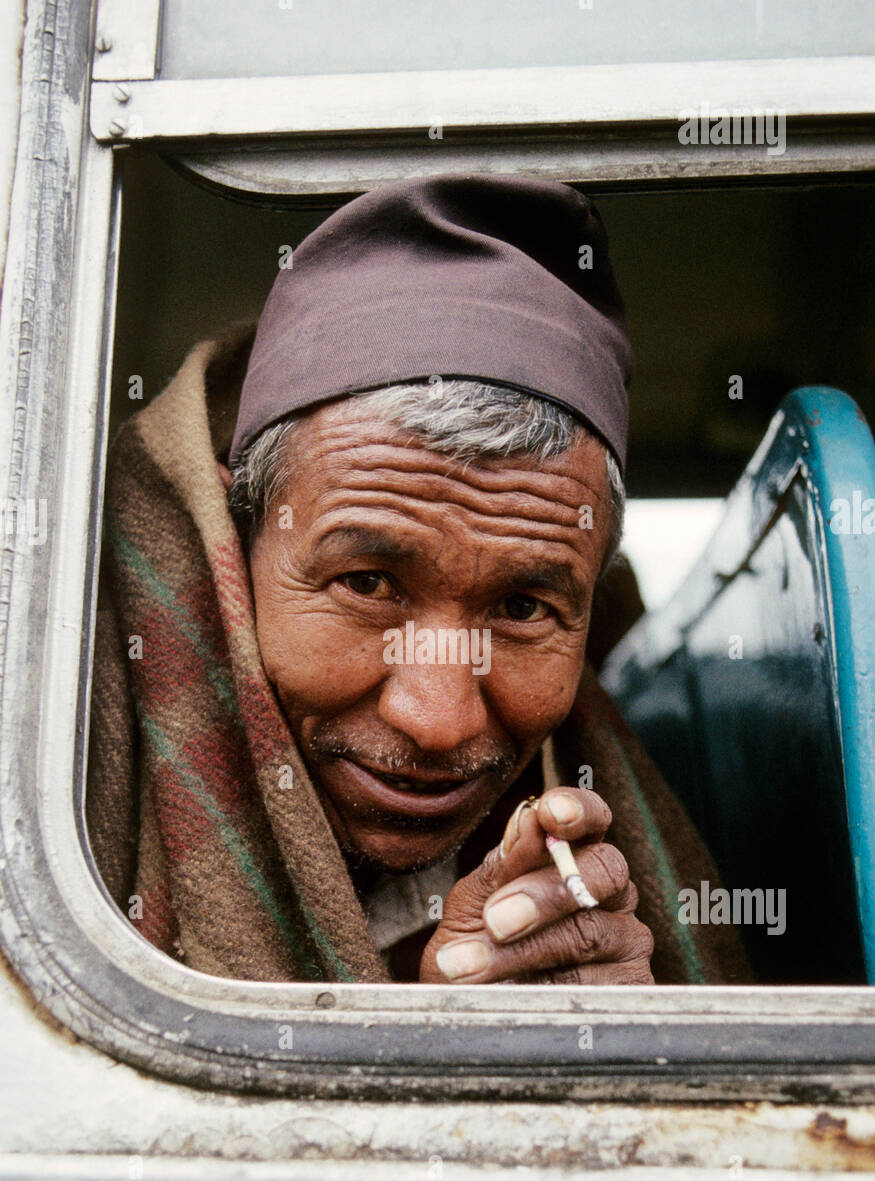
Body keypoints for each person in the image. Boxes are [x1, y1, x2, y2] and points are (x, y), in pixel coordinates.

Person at [86, 174, 751, 986]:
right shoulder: (53, 778)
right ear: (237, 540)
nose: (436, 721)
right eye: (367, 584)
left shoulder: (602, 869)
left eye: (521, 606)